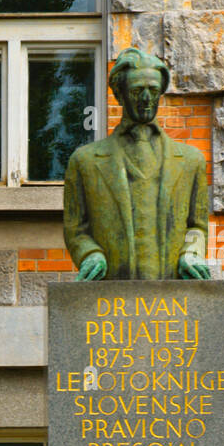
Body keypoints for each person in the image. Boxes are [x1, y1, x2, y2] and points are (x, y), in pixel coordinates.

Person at [63, 47, 213, 282]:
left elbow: (197, 225)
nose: (146, 99)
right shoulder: (85, 161)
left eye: (153, 91)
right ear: (120, 95)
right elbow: (76, 228)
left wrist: (192, 252)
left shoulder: (191, 161)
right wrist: (89, 254)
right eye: (137, 91)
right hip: (110, 298)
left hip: (173, 299)